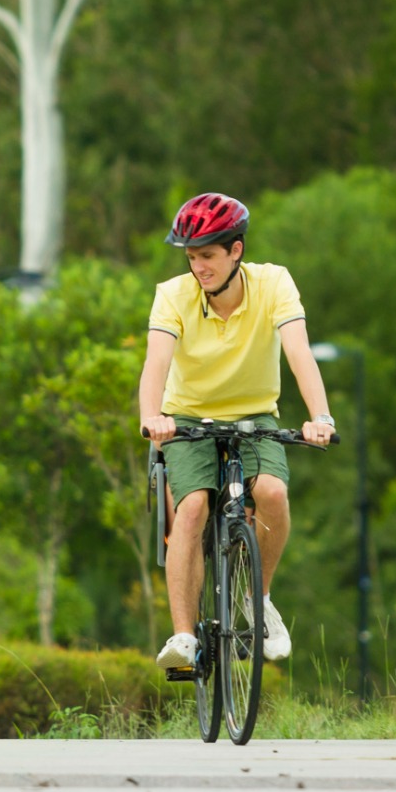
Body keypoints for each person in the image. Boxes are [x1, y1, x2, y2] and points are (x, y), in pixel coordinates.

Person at [135, 193, 336, 673]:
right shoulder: (173, 294)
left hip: (255, 416)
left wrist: (320, 417)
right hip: (186, 419)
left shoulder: (274, 283)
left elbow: (299, 353)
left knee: (272, 492)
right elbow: (155, 363)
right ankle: (184, 636)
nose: (198, 267)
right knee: (192, 509)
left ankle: (259, 600)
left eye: (207, 256)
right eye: (191, 257)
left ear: (236, 251)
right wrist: (151, 417)